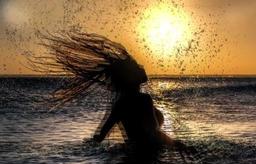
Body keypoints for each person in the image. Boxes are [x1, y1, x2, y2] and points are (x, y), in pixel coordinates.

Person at [29, 31, 191, 154]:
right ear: (131, 77)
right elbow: (153, 133)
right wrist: (176, 144)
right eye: (136, 67)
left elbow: (100, 137)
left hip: (132, 157)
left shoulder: (120, 104)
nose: (141, 67)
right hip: (149, 157)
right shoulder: (143, 100)